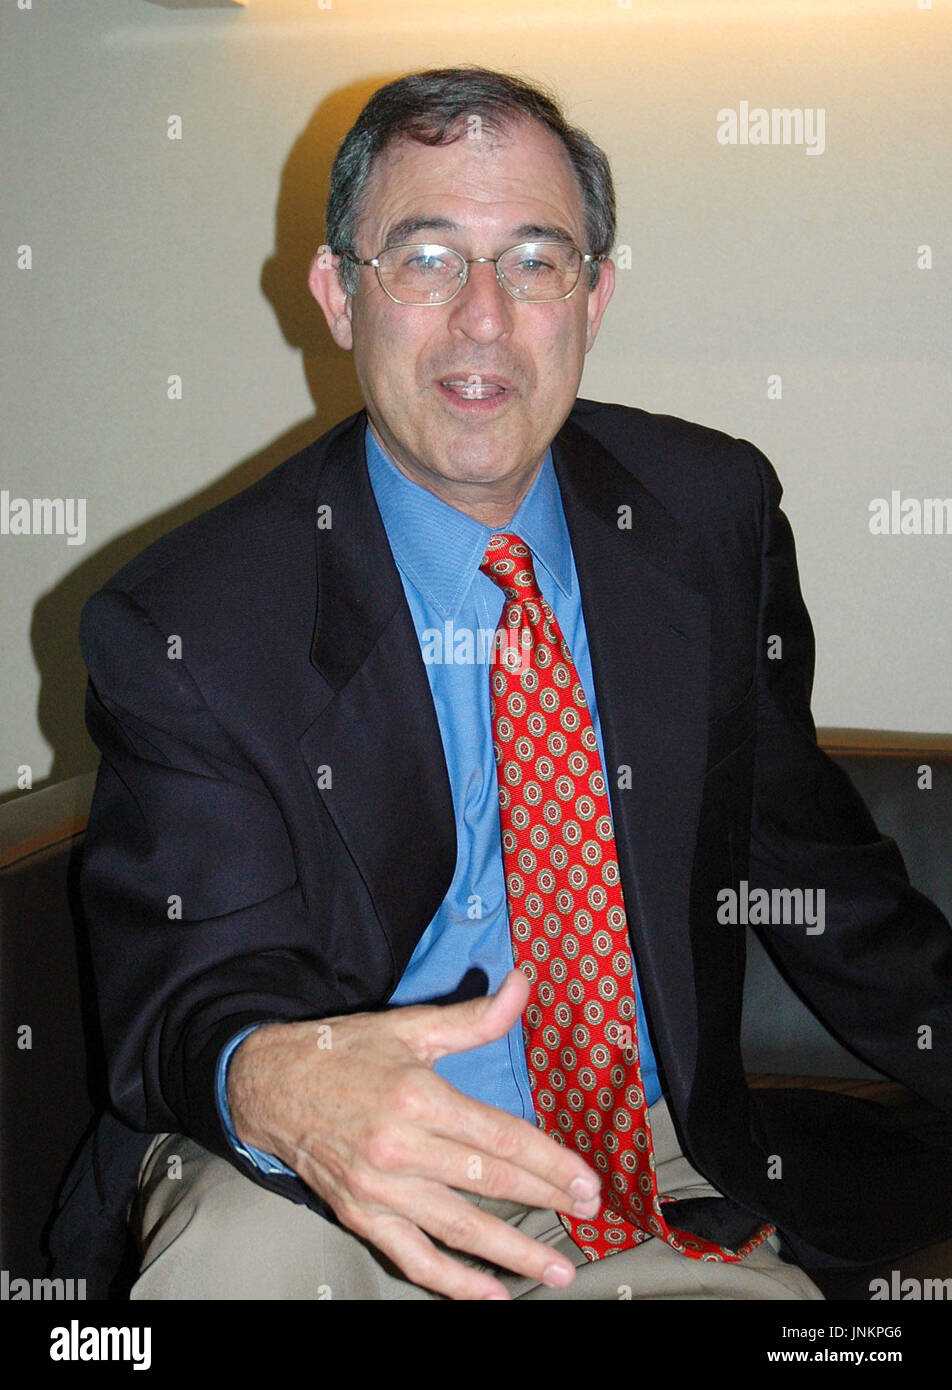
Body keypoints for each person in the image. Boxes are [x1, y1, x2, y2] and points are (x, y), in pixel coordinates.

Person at [56, 67, 952, 1301]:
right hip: (330, 1163)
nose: (483, 319)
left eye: (536, 261)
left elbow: (806, 859)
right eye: (426, 259)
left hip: (645, 1162)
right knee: (236, 1272)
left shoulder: (707, 513)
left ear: (593, 298)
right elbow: (200, 971)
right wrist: (270, 1077)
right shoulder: (194, 619)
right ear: (337, 294)